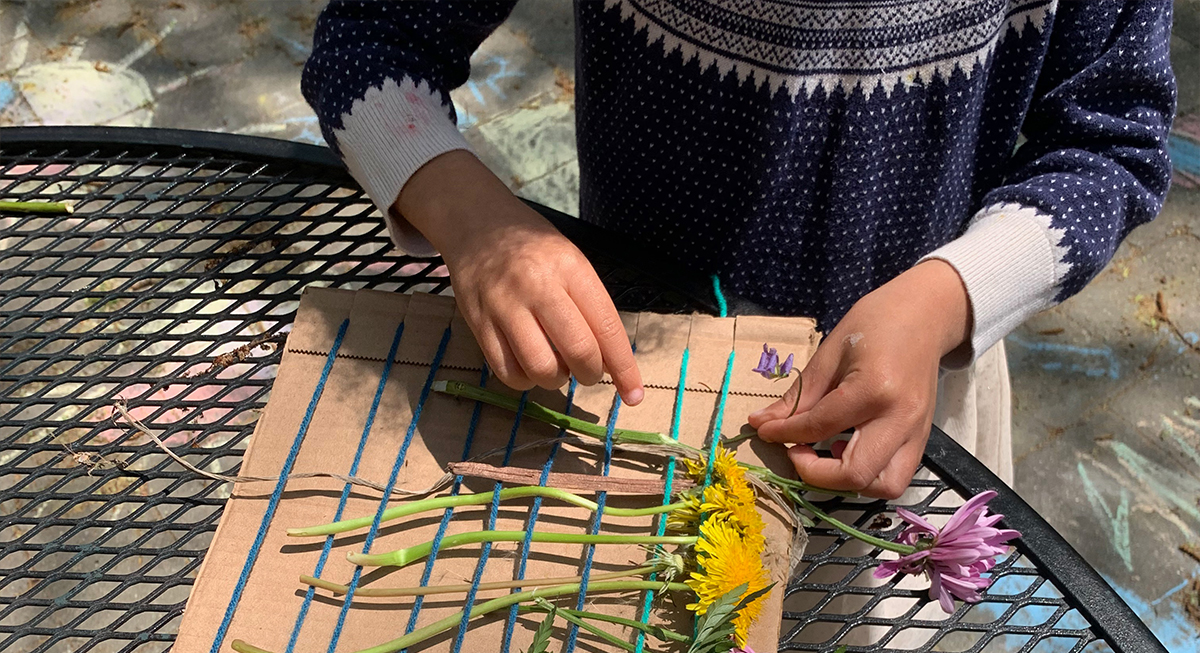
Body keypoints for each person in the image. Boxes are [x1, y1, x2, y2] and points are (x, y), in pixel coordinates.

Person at [301, 0, 1174, 498]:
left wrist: (947, 296)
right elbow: (367, 43)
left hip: (907, 401)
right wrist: (477, 226)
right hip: (625, 390)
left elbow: (1110, 147)